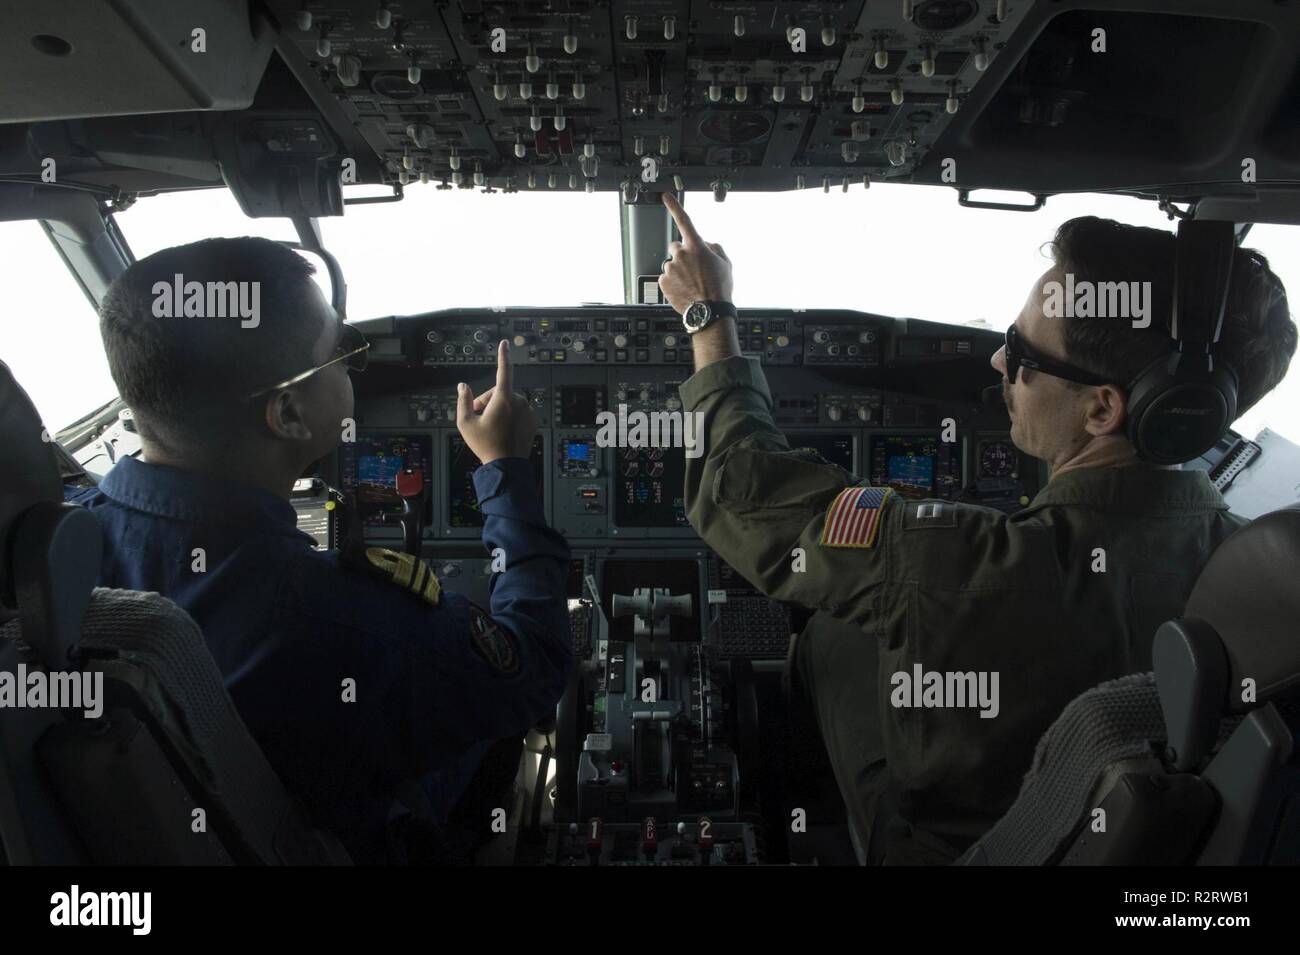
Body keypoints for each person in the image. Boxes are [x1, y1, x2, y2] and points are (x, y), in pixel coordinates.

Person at [658, 194, 1297, 864]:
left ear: (1103, 407)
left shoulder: (953, 558)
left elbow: (737, 490)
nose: (997, 363)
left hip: (954, 849)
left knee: (830, 628)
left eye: (1022, 351)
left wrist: (709, 317)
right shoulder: (1267, 590)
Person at [72, 237, 571, 863]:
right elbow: (537, 663)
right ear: (288, 412)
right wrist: (504, 468)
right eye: (338, 350)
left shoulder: (58, 557)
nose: (351, 360)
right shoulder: (329, 619)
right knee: (503, 730)